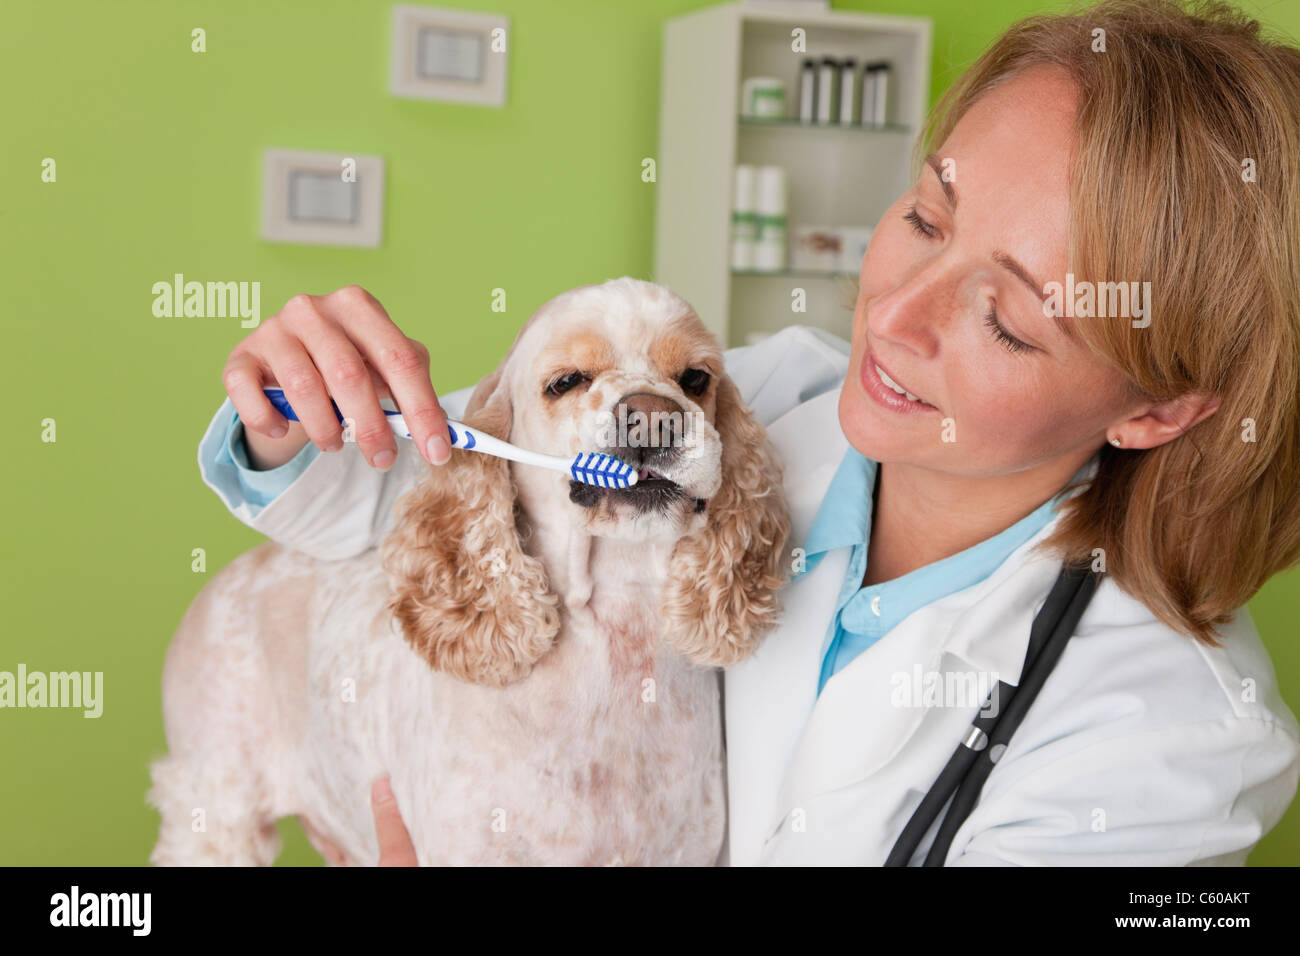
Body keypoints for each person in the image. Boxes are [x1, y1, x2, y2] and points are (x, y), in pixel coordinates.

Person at [202, 0, 1300, 865]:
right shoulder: (753, 402)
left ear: (1157, 407)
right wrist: (295, 415)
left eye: (1008, 320)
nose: (896, 316)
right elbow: (433, 498)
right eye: (925, 217)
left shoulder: (1172, 739)